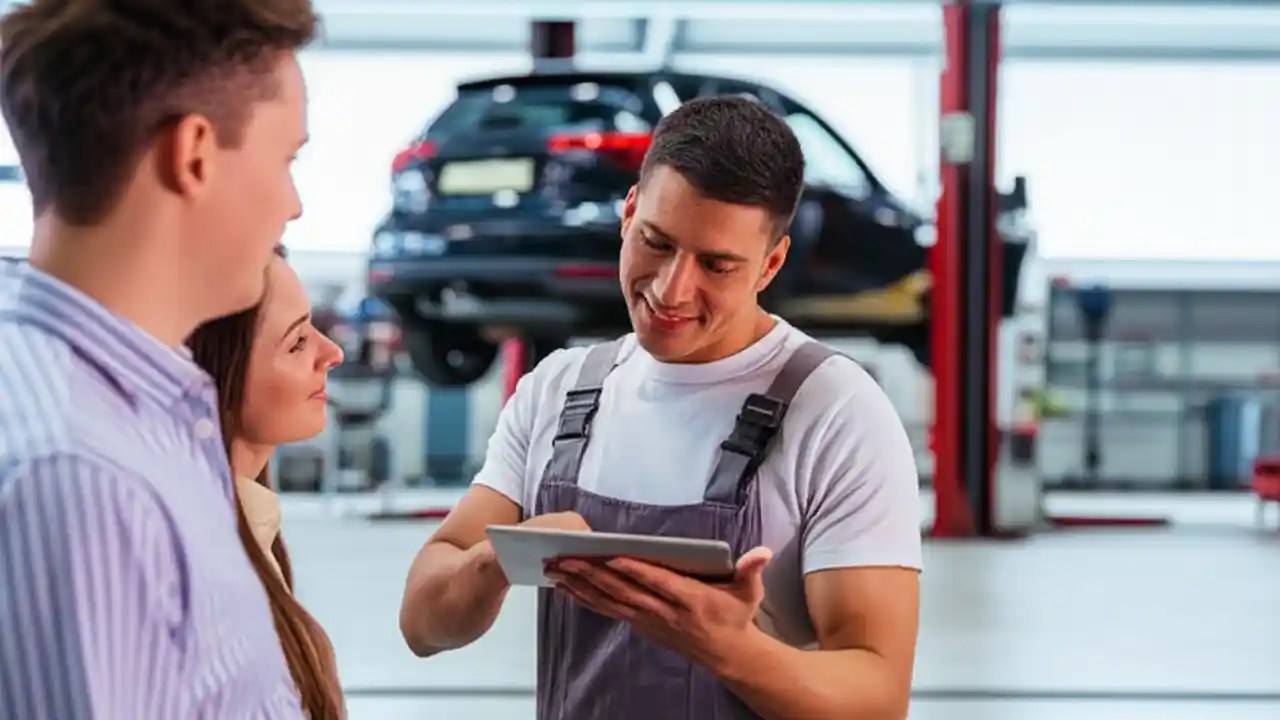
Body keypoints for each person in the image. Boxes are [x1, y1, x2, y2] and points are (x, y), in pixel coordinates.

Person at [399, 95, 923, 719]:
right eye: (656, 242)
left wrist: (731, 649)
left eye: (717, 265)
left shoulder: (837, 413)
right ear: (628, 214)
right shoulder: (560, 392)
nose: (672, 288)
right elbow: (422, 624)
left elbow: (878, 696)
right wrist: (494, 563)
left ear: (770, 264)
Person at [0, 1, 319, 717]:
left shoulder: (150, 412)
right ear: (194, 155)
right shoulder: (79, 477)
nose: (292, 204)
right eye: (286, 159)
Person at [187, 247, 347, 718]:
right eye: (297, 342)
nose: (331, 353)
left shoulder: (251, 524)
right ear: (219, 370)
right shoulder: (199, 561)